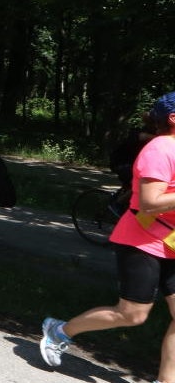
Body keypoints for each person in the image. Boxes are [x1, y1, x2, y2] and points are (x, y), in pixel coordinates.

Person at [40, 91, 175, 378]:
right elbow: (150, 202)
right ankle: (60, 331)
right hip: (142, 241)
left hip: (171, 243)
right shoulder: (160, 150)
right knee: (132, 314)